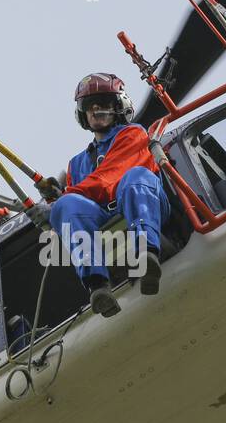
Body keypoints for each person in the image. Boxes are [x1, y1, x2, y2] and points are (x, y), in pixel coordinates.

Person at [46, 72, 170, 318]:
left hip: (144, 203)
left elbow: (110, 177)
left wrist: (68, 193)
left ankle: (147, 256)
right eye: (88, 106)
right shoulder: (76, 164)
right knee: (67, 206)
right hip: (105, 216)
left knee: (136, 177)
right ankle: (98, 286)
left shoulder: (133, 134)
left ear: (119, 106)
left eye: (102, 103)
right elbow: (79, 202)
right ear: (81, 114)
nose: (95, 110)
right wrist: (57, 205)